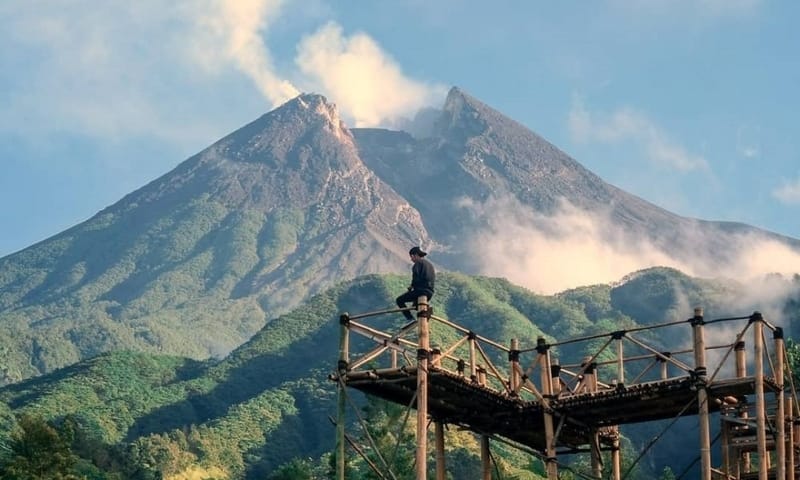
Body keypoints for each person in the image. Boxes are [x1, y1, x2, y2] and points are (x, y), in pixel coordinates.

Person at [396, 246, 435, 320]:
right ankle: (427, 311)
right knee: (416, 306)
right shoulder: (430, 265)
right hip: (430, 293)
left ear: (415, 255)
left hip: (421, 291)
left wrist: (411, 287)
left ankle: (410, 319)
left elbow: (415, 277)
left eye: (411, 257)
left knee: (399, 300)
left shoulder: (417, 264)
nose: (411, 259)